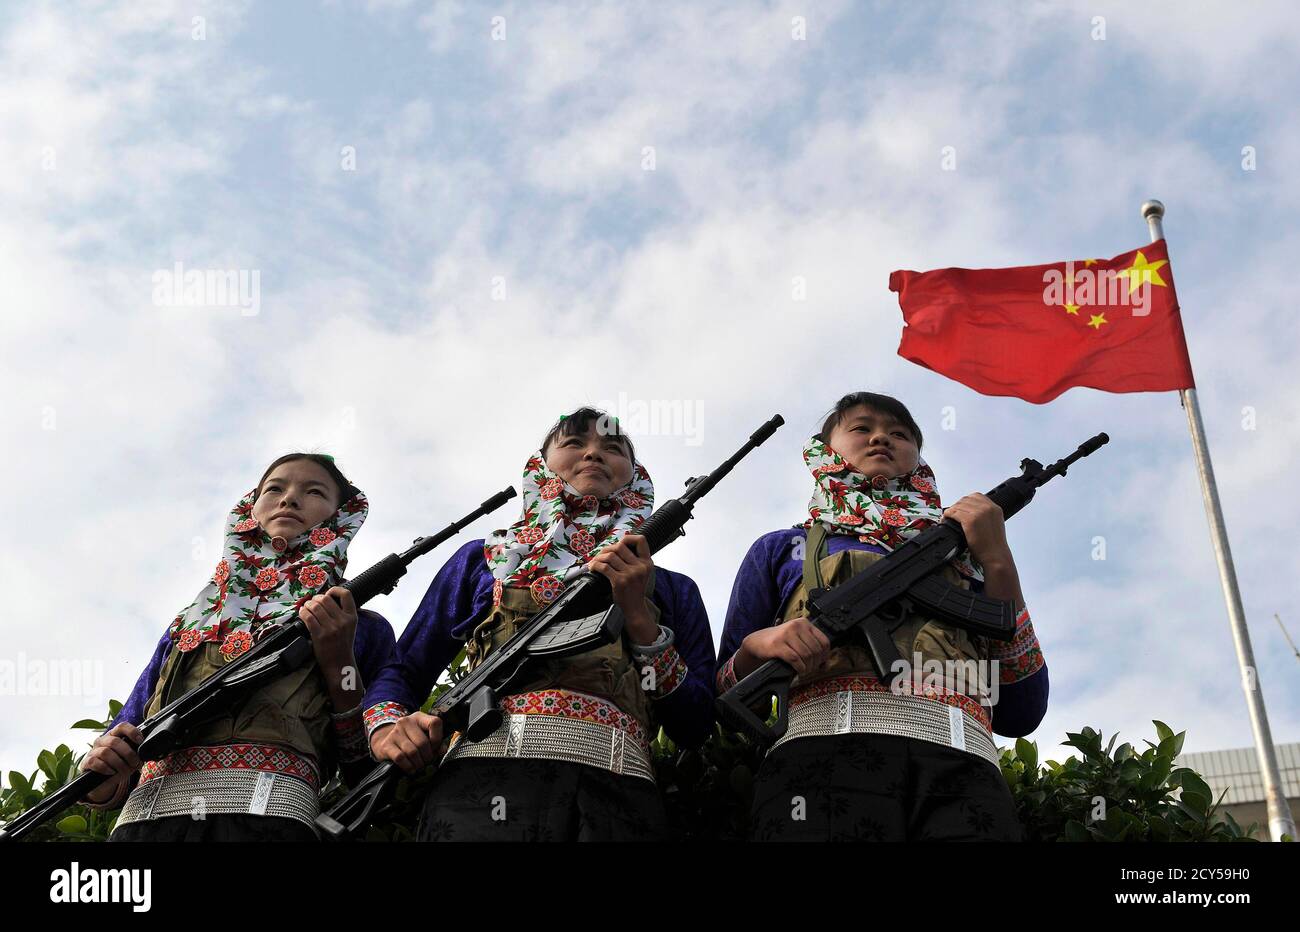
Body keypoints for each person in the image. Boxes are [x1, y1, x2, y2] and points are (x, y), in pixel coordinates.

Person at [363, 408, 716, 841]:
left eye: (612, 448)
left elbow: (696, 724)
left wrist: (639, 617)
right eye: (574, 444)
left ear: (635, 475)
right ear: (541, 465)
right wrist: (386, 727)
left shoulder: (672, 589)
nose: (593, 454)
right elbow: (405, 668)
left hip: (620, 802)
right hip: (479, 789)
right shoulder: (485, 561)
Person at [717, 392, 1048, 841]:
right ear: (825, 448)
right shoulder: (781, 548)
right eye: (861, 428)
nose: (881, 439)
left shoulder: (967, 564)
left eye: (900, 433)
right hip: (820, 763)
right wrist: (760, 647)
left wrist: (996, 558)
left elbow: (1022, 711)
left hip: (964, 773)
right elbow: (724, 695)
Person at [81, 453, 397, 841]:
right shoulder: (189, 624)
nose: (289, 500)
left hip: (271, 825)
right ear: (250, 508)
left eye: (313, 492)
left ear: (342, 518)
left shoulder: (362, 628)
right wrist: (101, 769)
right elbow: (123, 740)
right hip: (142, 827)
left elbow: (363, 766)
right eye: (274, 489)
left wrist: (338, 665)